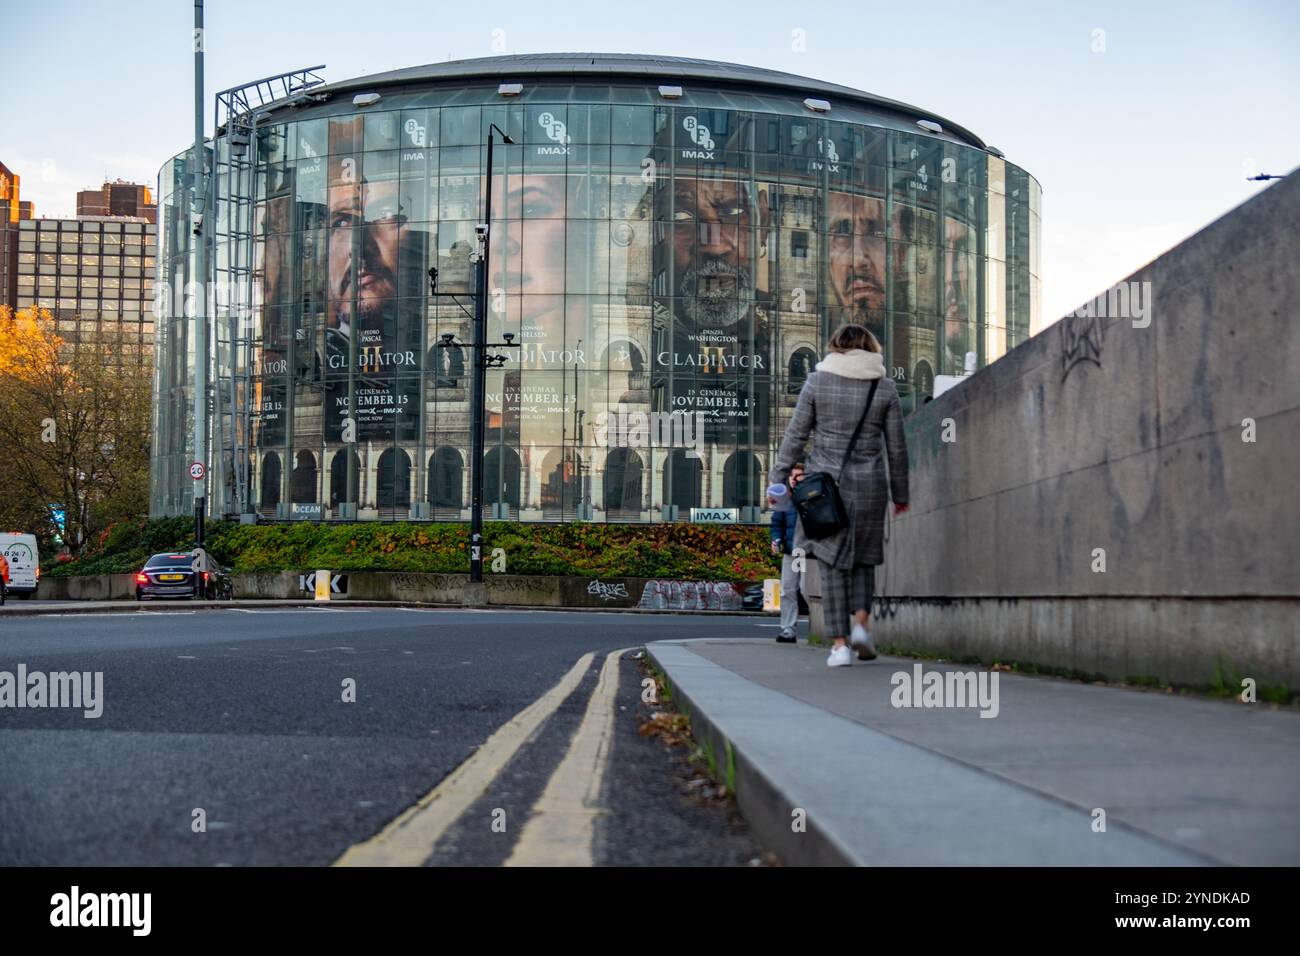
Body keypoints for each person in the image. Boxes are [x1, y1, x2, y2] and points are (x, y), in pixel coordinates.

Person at [770, 323, 910, 667]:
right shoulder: (885, 387)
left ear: (835, 346)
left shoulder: (818, 382)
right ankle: (862, 623)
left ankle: (840, 645)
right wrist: (901, 493)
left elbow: (795, 435)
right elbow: (897, 448)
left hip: (824, 490)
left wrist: (778, 479)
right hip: (871, 487)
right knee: (864, 559)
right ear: (870, 347)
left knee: (832, 562)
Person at [768, 463, 805, 643]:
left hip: (808, 552)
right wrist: (776, 540)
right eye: (792, 476)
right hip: (792, 552)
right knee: (787, 590)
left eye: (799, 476)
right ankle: (787, 629)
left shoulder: (812, 496)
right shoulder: (785, 500)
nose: (794, 479)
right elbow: (776, 524)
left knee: (806, 590)